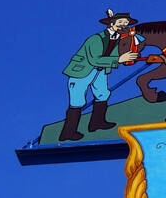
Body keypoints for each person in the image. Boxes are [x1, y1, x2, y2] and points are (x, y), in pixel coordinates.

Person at [59, 10, 140, 142]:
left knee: (103, 94)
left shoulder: (118, 39)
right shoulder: (95, 39)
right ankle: (68, 132)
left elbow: (114, 56)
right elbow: (94, 59)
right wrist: (119, 59)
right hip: (82, 71)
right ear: (111, 23)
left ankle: (96, 123)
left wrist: (125, 59)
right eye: (120, 22)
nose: (123, 25)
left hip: (100, 70)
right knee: (77, 101)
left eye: (126, 23)